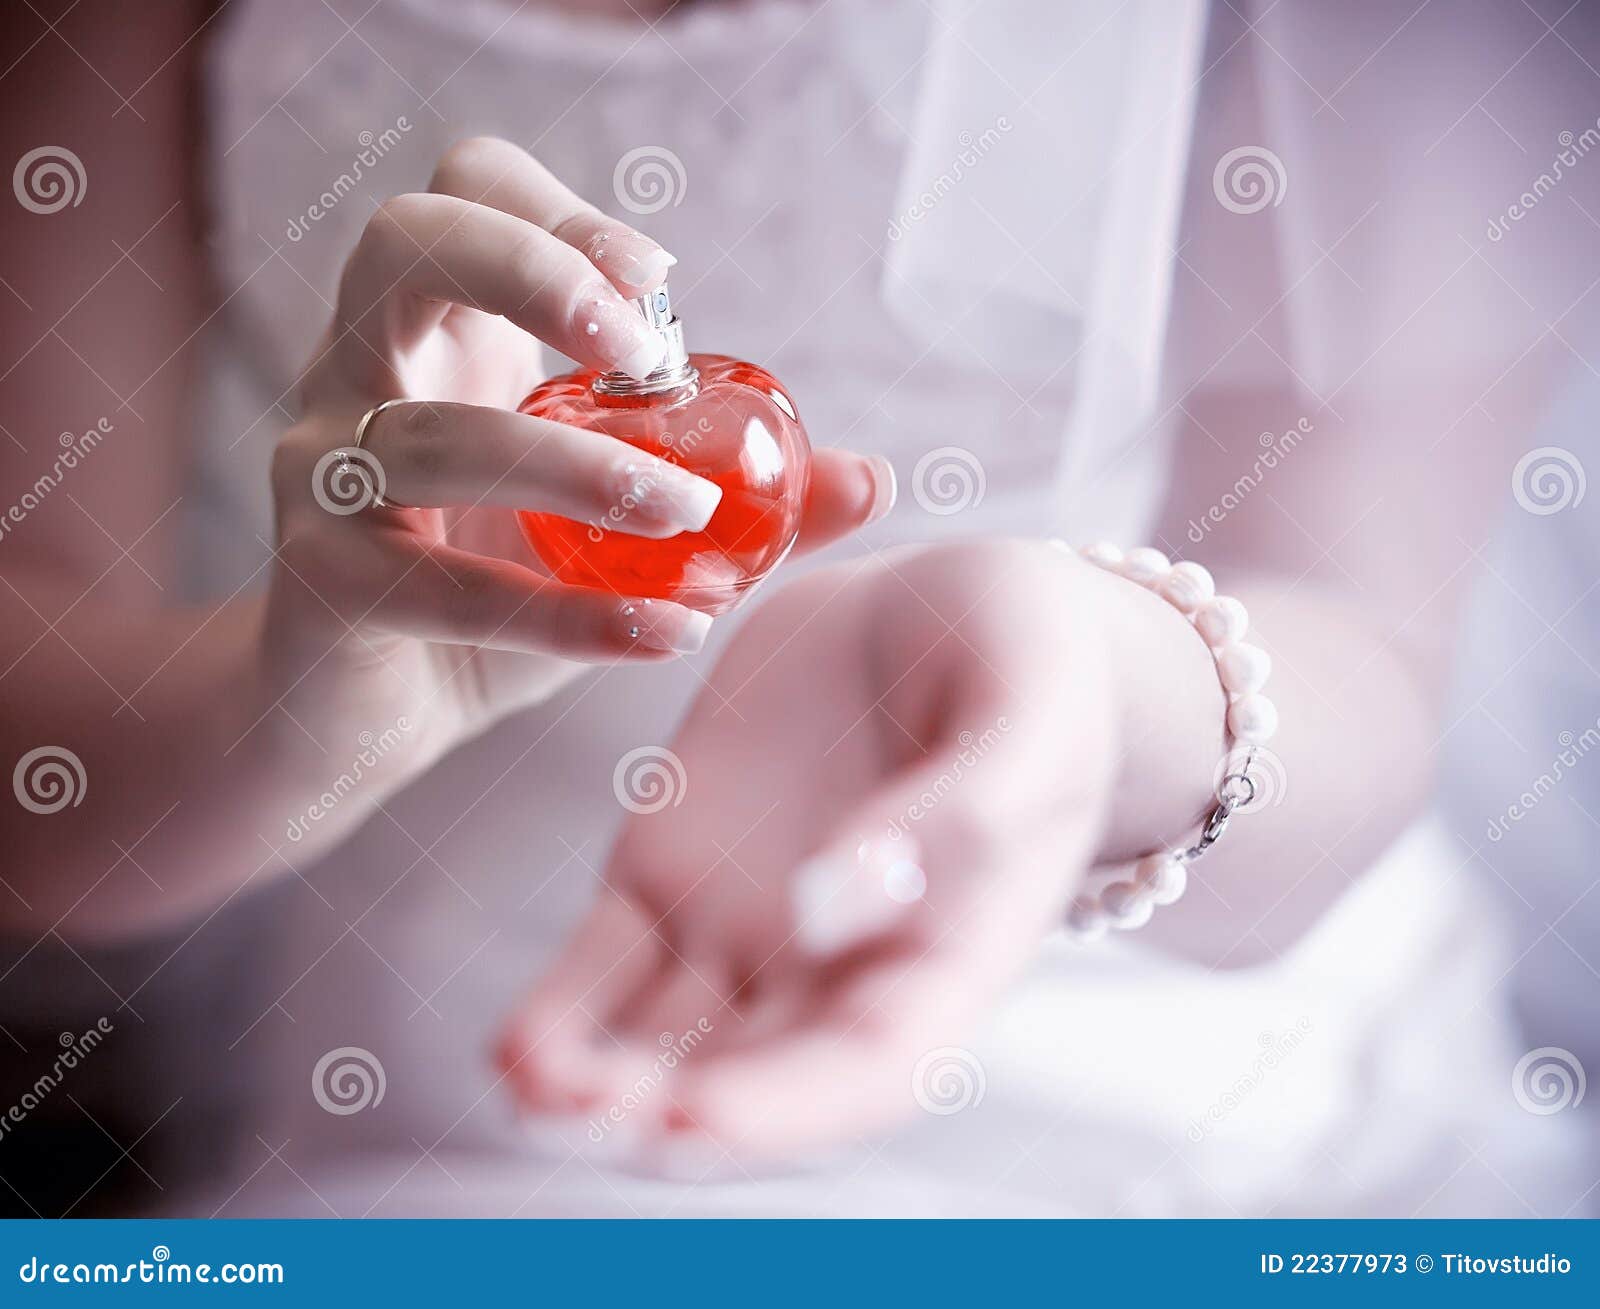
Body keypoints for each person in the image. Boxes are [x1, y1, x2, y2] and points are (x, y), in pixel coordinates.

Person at [2, 0, 1595, 1216]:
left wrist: (1095, 681)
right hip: (444, 1105)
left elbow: (1366, 640)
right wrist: (290, 705)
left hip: (1208, 1136)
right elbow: (36, 745)